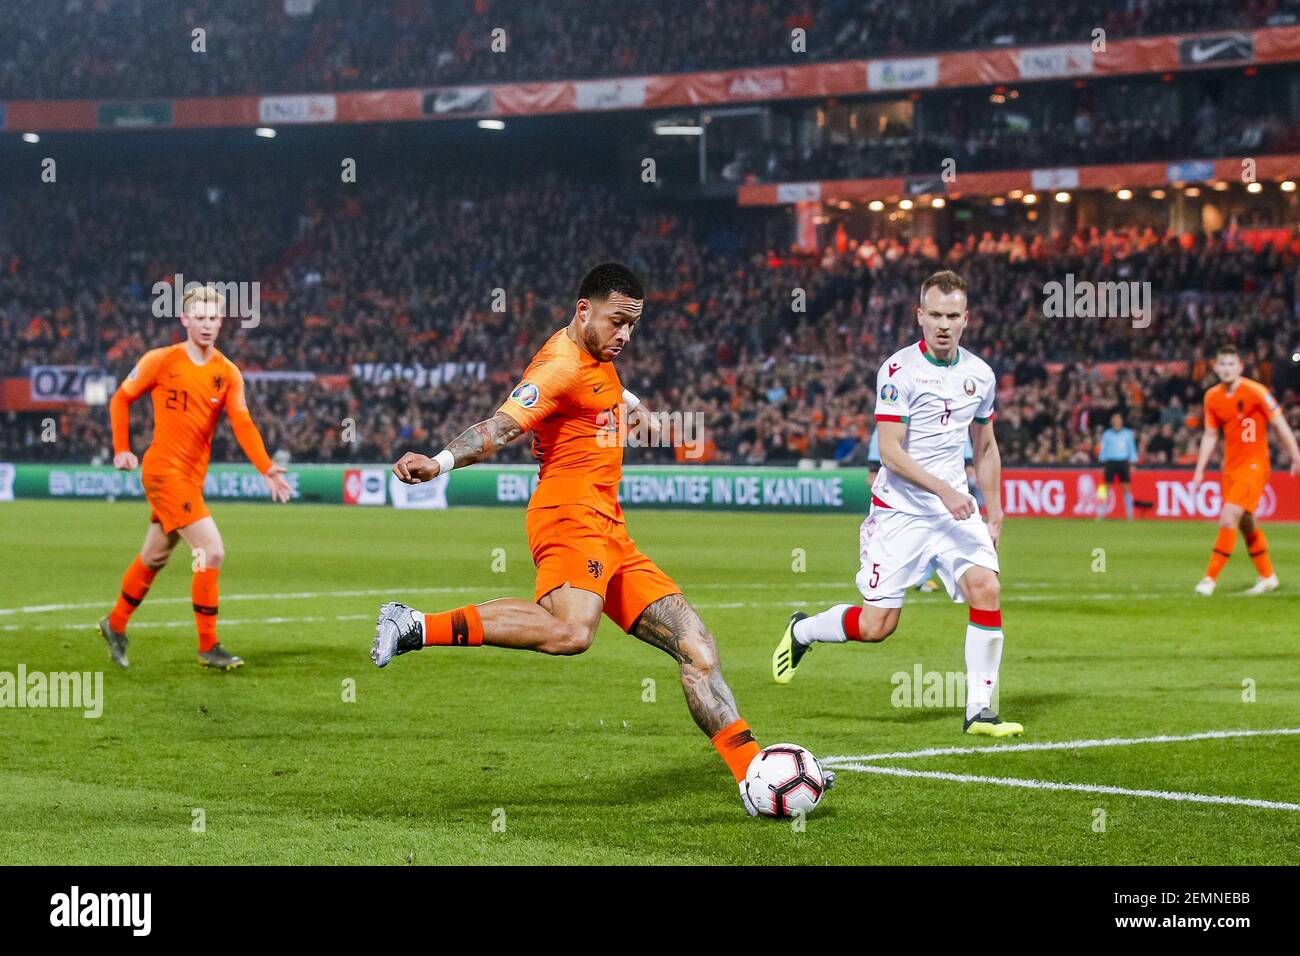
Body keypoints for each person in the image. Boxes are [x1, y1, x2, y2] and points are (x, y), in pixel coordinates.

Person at [370, 263, 814, 815]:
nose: (625, 336)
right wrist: (437, 463)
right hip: (568, 514)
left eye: (633, 326)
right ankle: (413, 625)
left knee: (697, 649)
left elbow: (609, 395)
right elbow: (496, 428)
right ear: (585, 311)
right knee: (570, 631)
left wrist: (641, 413)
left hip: (612, 529)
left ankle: (753, 775)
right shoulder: (558, 366)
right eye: (618, 322)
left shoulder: (598, 359)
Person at [771, 270, 1022, 738]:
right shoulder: (897, 370)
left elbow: (986, 447)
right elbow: (890, 452)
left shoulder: (980, 375)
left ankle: (980, 711)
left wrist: (996, 509)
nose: (943, 324)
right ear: (919, 316)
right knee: (877, 625)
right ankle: (803, 629)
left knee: (985, 588)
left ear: (966, 319)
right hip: (901, 513)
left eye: (953, 316)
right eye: (935, 315)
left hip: (956, 514)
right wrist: (945, 491)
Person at [98, 286, 293, 669]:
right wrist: (121, 447)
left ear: (221, 322)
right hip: (163, 473)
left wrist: (266, 466)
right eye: (199, 318)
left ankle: (115, 623)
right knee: (211, 550)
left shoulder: (227, 373)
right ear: (185, 320)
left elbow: (243, 422)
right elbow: (120, 398)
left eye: (213, 319)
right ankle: (208, 646)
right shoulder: (161, 360)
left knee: (154, 556)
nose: (206, 325)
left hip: (191, 478)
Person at [1192, 344, 1300, 595]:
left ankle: (1209, 579)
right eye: (1223, 364)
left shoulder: (1257, 392)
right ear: (1216, 367)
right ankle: (1267, 576)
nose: (1227, 369)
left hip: (1255, 465)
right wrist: (1199, 469)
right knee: (1247, 522)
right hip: (1230, 467)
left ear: (1240, 367)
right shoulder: (1212, 397)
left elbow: (1280, 425)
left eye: (1232, 364)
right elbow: (1210, 434)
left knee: (1229, 516)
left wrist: (1295, 456)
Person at [1097, 412, 1138, 520]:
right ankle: (1100, 513)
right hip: (1110, 462)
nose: (1116, 421)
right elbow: (1103, 449)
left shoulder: (1127, 433)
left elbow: (1132, 449)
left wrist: (1133, 463)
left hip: (1123, 462)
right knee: (1105, 487)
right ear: (1112, 421)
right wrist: (1102, 463)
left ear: (1121, 421)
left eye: (1118, 419)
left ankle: (1130, 514)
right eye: (1114, 419)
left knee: (1126, 488)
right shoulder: (1107, 434)